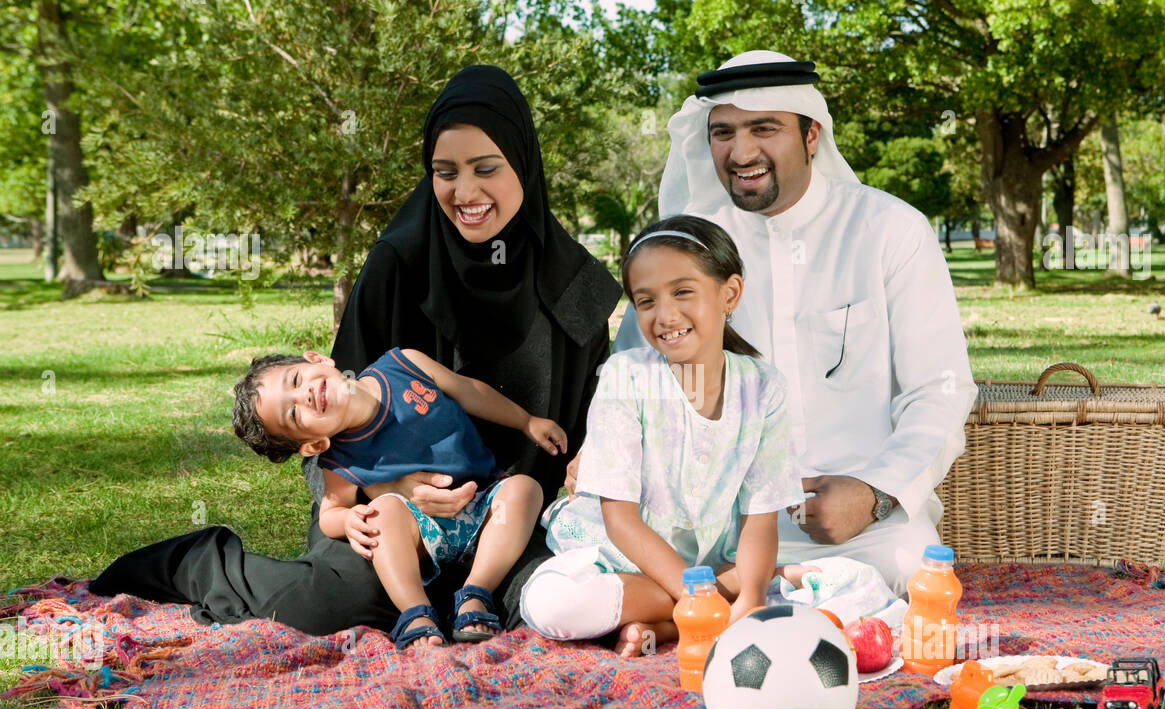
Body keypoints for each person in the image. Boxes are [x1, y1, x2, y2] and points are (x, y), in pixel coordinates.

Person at [88, 66, 622, 635]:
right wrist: (388, 493)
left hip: (511, 511)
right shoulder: (400, 262)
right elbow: (330, 430)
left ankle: (473, 599)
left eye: (486, 169)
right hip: (387, 508)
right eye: (445, 172)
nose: (465, 194)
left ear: (523, 162)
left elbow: (602, 413)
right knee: (324, 605)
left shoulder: (574, 284)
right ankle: (197, 562)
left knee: (552, 606)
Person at [596, 51, 978, 595]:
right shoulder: (686, 247)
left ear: (812, 135)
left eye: (764, 128)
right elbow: (636, 380)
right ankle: (725, 594)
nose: (741, 151)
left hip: (856, 527)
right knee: (573, 593)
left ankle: (691, 605)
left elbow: (939, 392)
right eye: (723, 132)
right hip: (709, 528)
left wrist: (874, 493)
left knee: (914, 574)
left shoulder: (891, 231)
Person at [521, 215, 823, 657]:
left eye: (683, 292)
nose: (665, 315)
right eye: (645, 301)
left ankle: (667, 625)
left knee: (810, 579)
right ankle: (707, 602)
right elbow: (620, 522)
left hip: (706, 561)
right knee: (550, 604)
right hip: (618, 558)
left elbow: (760, 515)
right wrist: (707, 597)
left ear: (729, 293)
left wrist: (754, 599)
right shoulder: (626, 377)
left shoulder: (763, 386)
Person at [231, 347, 568, 648]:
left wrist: (526, 421)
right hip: (423, 535)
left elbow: (468, 391)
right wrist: (348, 519)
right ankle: (417, 616)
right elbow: (330, 512)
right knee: (380, 512)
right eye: (292, 414)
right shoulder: (340, 459)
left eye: (295, 379)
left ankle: (474, 595)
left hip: (483, 509)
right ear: (314, 445)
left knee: (524, 488)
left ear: (317, 359)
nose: (303, 395)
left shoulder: (403, 364)